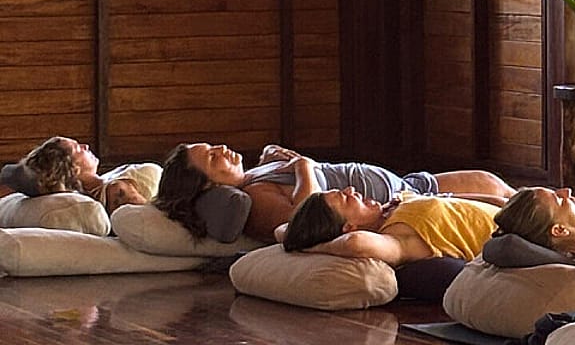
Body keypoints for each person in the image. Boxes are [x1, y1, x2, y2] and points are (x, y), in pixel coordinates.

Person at [155, 142, 515, 242]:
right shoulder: (255, 200)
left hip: (402, 184)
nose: (223, 150)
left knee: (493, 184)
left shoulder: (251, 176)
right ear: (209, 185)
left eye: (214, 146)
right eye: (213, 158)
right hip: (400, 197)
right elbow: (304, 217)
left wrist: (270, 157)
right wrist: (304, 166)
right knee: (495, 192)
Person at [282, 186, 502, 266]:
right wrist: (313, 247)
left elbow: (282, 231)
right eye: (346, 198)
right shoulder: (397, 237)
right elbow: (356, 243)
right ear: (349, 227)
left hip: (511, 209)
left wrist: (504, 202)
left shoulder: (391, 207)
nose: (352, 190)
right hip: (518, 234)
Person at [0, 136, 157, 212]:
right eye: (78, 149)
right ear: (72, 168)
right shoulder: (116, 189)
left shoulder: (107, 181)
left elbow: (10, 173)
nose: (86, 146)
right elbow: (145, 221)